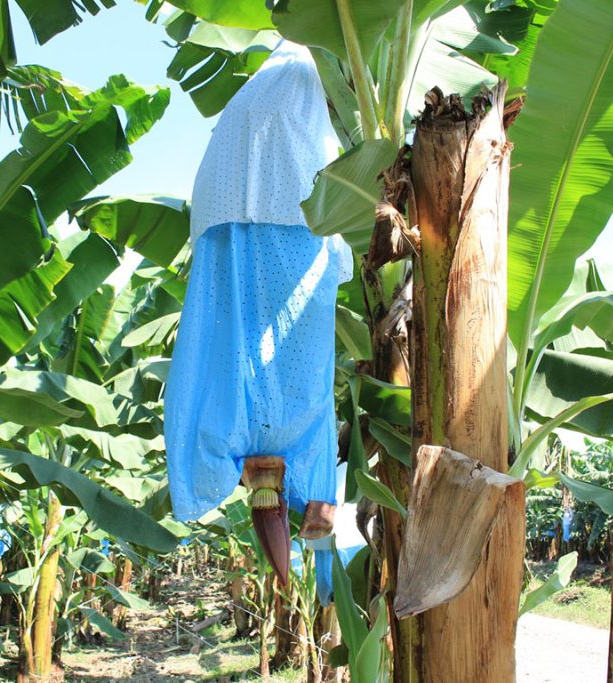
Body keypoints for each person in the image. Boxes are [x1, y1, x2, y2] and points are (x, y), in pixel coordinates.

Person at [164, 40, 352, 584]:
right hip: (286, 211)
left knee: (283, 350)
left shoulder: (251, 103)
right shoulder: (298, 89)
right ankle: (317, 541)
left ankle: (317, 544)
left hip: (240, 210)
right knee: (298, 349)